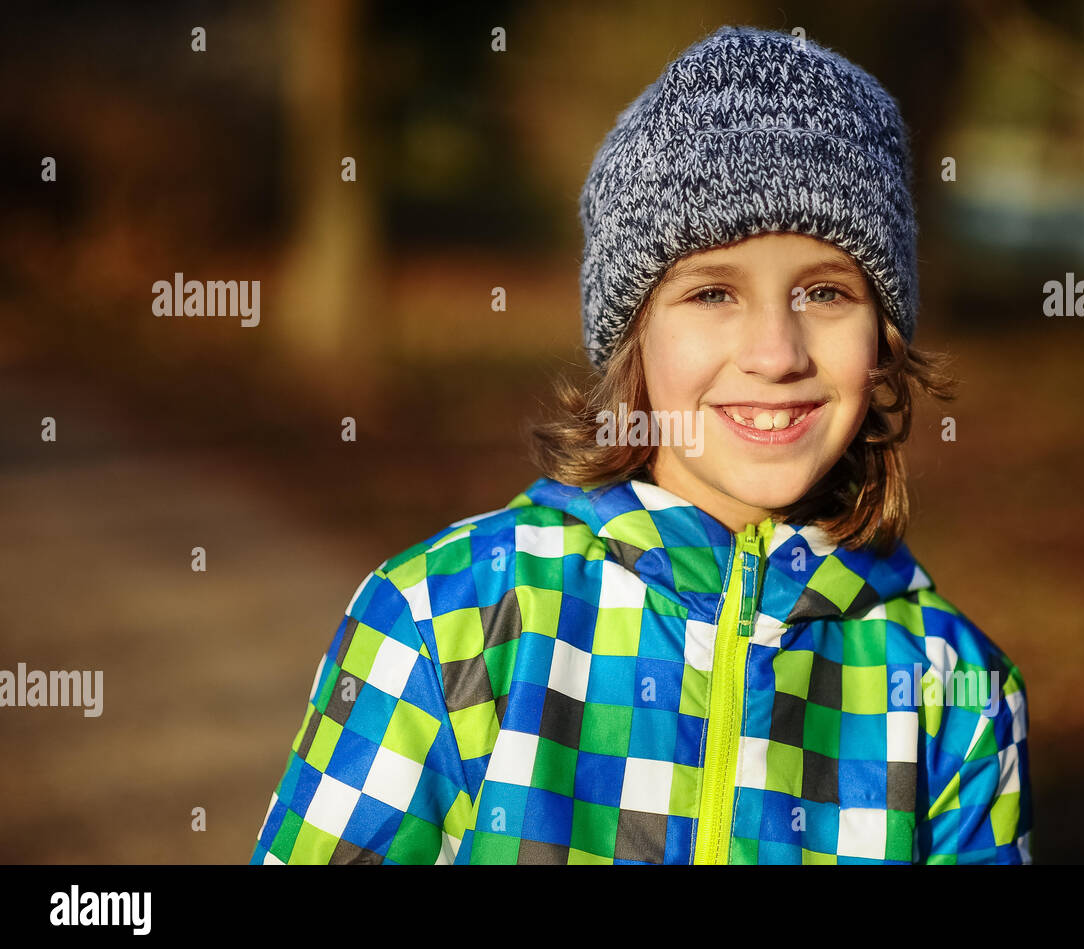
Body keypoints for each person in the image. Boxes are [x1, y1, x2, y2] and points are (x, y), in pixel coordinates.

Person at [251, 24, 1033, 865]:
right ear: (633, 339)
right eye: (711, 293)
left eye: (825, 290)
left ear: (883, 338)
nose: (776, 353)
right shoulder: (449, 619)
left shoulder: (955, 689)